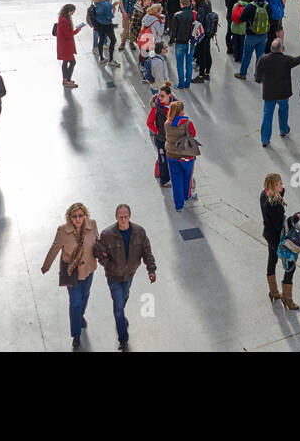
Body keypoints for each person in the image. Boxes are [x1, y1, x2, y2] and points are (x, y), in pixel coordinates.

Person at [92, 205, 157, 350]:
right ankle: (123, 339)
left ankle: (121, 317)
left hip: (129, 274)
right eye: (120, 217)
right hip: (114, 276)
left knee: (125, 296)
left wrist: (151, 270)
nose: (123, 219)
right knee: (118, 307)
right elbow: (97, 251)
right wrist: (109, 265)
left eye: (126, 216)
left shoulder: (139, 232)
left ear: (130, 216)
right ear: (116, 217)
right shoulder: (107, 234)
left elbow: (147, 251)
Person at [41, 202, 99, 348]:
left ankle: (80, 316)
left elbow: (98, 243)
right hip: (71, 273)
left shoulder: (92, 225)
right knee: (75, 303)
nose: (78, 219)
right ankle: (76, 335)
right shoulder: (62, 231)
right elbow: (54, 249)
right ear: (69, 217)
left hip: (88, 270)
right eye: (74, 216)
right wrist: (46, 266)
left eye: (81, 215)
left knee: (85, 296)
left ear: (85, 215)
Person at [256, 40, 300, 147]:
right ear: (281, 49)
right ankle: (284, 130)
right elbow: (297, 60)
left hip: (269, 94)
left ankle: (265, 139)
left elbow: (258, 71)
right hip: (283, 93)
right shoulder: (286, 60)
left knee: (267, 115)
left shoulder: (263, 59)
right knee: (283, 112)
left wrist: (259, 79)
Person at [261, 174, 300, 310]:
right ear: (273, 186)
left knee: (272, 259)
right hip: (277, 237)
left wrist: (279, 191)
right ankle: (287, 298)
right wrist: (294, 218)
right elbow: (282, 225)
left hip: (268, 234)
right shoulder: (275, 205)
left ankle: (273, 291)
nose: (282, 186)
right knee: (290, 265)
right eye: (279, 184)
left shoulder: (264, 194)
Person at [163, 100, 198, 212]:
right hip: (186, 156)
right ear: (182, 111)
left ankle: (179, 206)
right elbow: (193, 134)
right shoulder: (187, 123)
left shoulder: (167, 123)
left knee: (176, 180)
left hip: (171, 155)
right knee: (187, 176)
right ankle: (187, 196)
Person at [56, 4, 85, 88]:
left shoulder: (62, 18)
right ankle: (67, 80)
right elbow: (67, 34)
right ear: (69, 11)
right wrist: (77, 30)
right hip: (65, 45)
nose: (73, 13)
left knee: (66, 61)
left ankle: (66, 79)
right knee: (72, 62)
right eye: (72, 11)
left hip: (64, 44)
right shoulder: (64, 20)